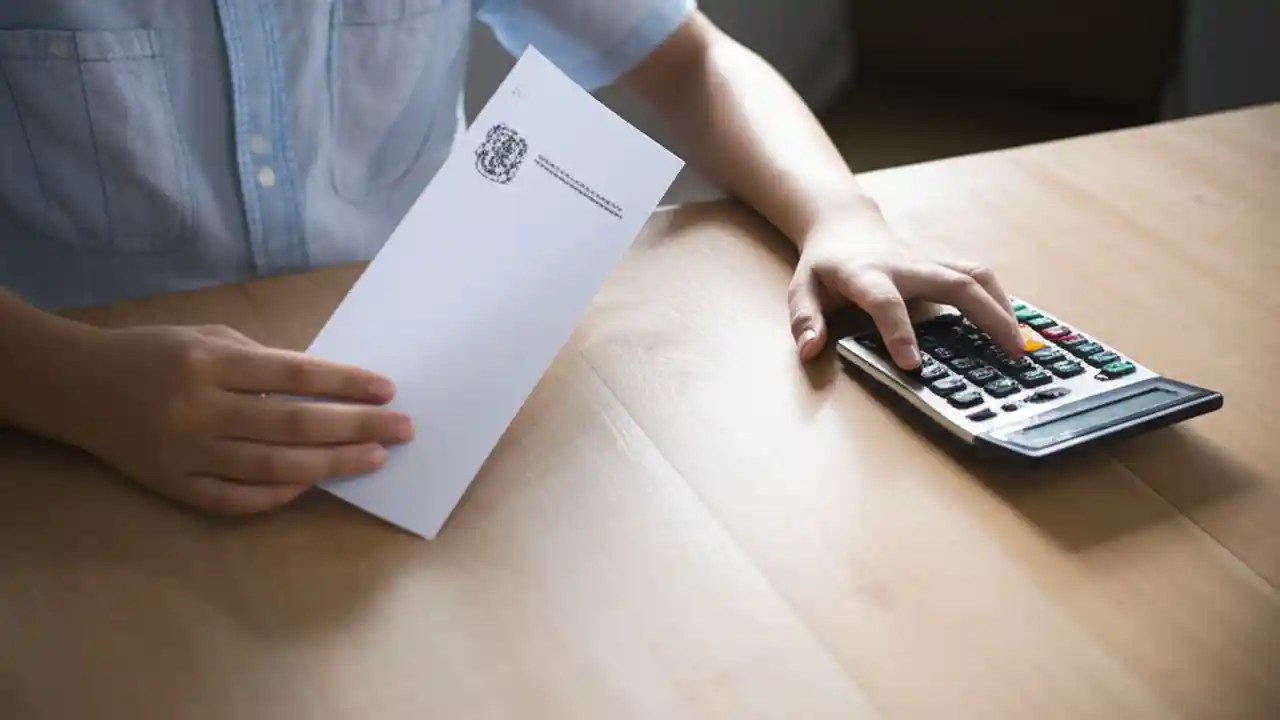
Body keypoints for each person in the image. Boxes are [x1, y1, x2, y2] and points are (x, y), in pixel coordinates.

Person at [0, 1, 1024, 516]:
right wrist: (69, 382)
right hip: (66, 453)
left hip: (428, 424)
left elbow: (689, 60)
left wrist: (840, 212)